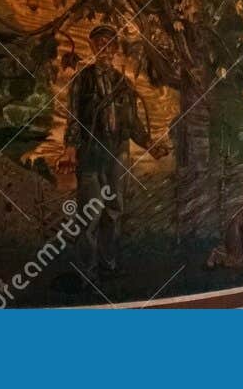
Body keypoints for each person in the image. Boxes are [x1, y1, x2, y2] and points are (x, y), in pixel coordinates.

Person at [59, 26, 169, 276]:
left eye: (109, 45)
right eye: (99, 43)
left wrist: (150, 145)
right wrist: (69, 150)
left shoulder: (124, 84)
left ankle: (108, 264)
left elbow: (133, 122)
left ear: (115, 50)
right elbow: (73, 118)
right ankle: (86, 270)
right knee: (89, 210)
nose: (104, 49)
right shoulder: (81, 80)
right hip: (90, 150)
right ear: (93, 47)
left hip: (118, 151)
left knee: (114, 208)